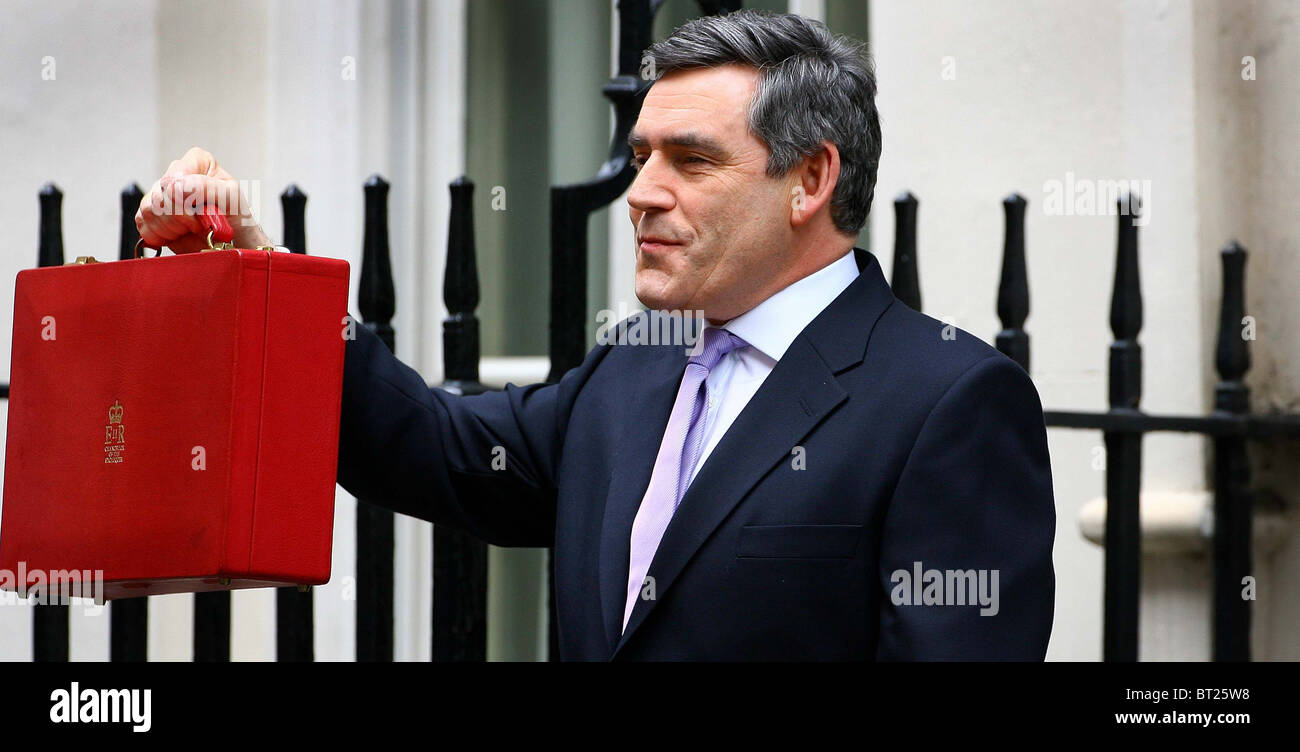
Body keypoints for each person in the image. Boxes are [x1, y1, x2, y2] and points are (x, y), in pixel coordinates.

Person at [136, 9, 1055, 660]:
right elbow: (438, 449)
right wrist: (263, 276)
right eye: (644, 154)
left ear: (809, 180)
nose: (643, 191)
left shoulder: (950, 401)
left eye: (691, 160)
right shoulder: (637, 363)